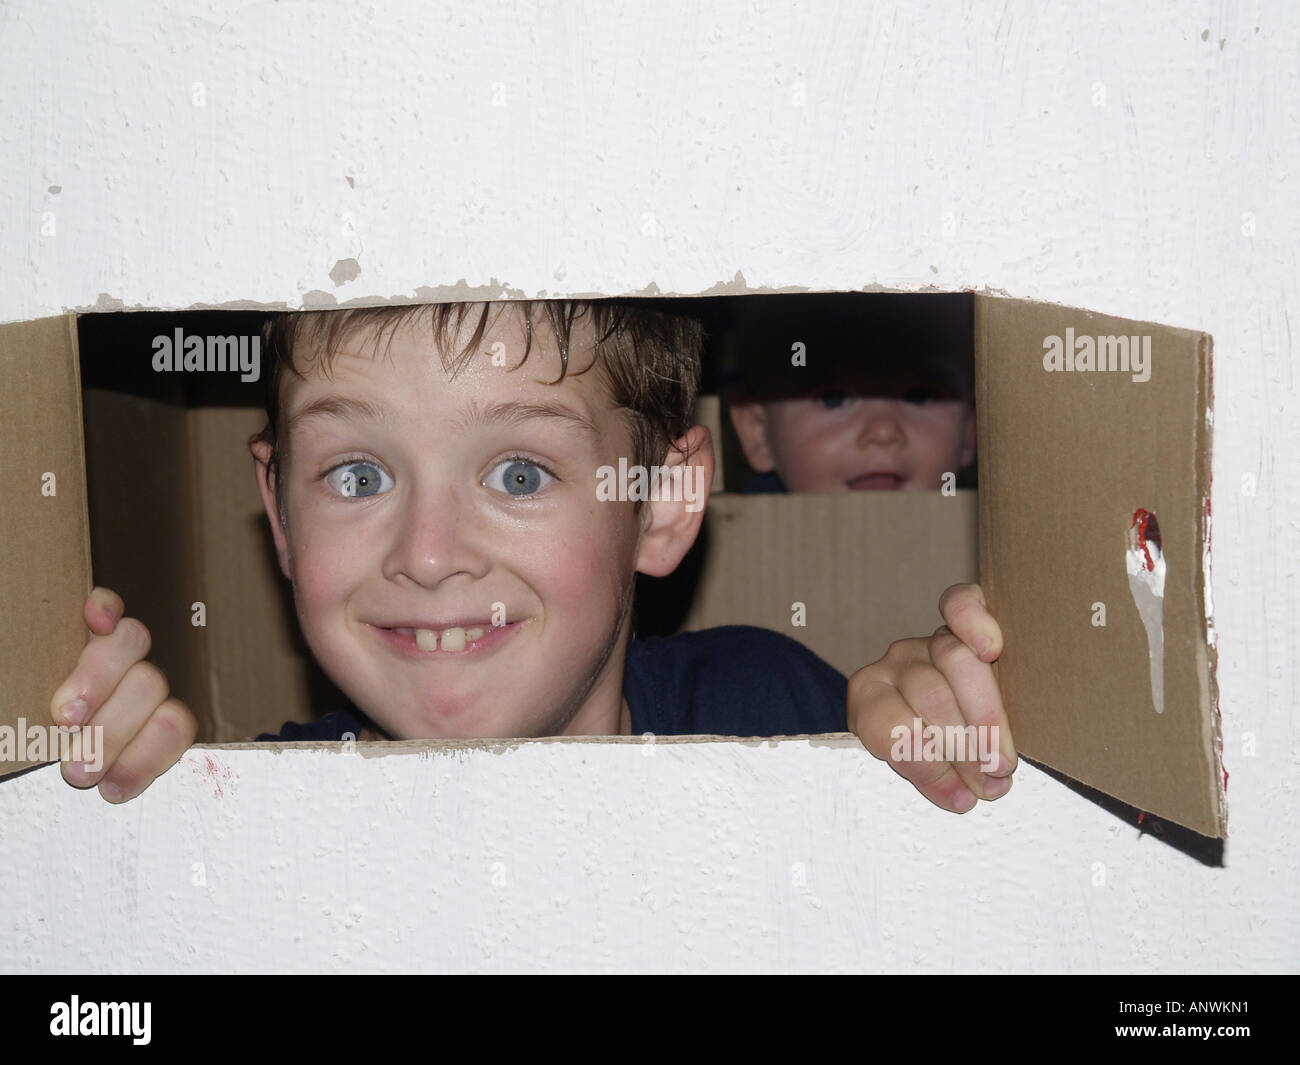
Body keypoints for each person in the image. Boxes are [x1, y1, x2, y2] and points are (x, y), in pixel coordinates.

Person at [47, 299, 1015, 814]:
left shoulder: (774, 711)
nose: (427, 557)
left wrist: (941, 721)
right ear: (279, 513)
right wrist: (104, 799)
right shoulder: (241, 814)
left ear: (664, 501)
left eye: (516, 475)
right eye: (355, 478)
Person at [725, 293, 977, 493]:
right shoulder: (740, 544)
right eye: (833, 399)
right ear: (758, 432)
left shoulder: (997, 541)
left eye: (919, 395)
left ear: (968, 428)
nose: (883, 431)